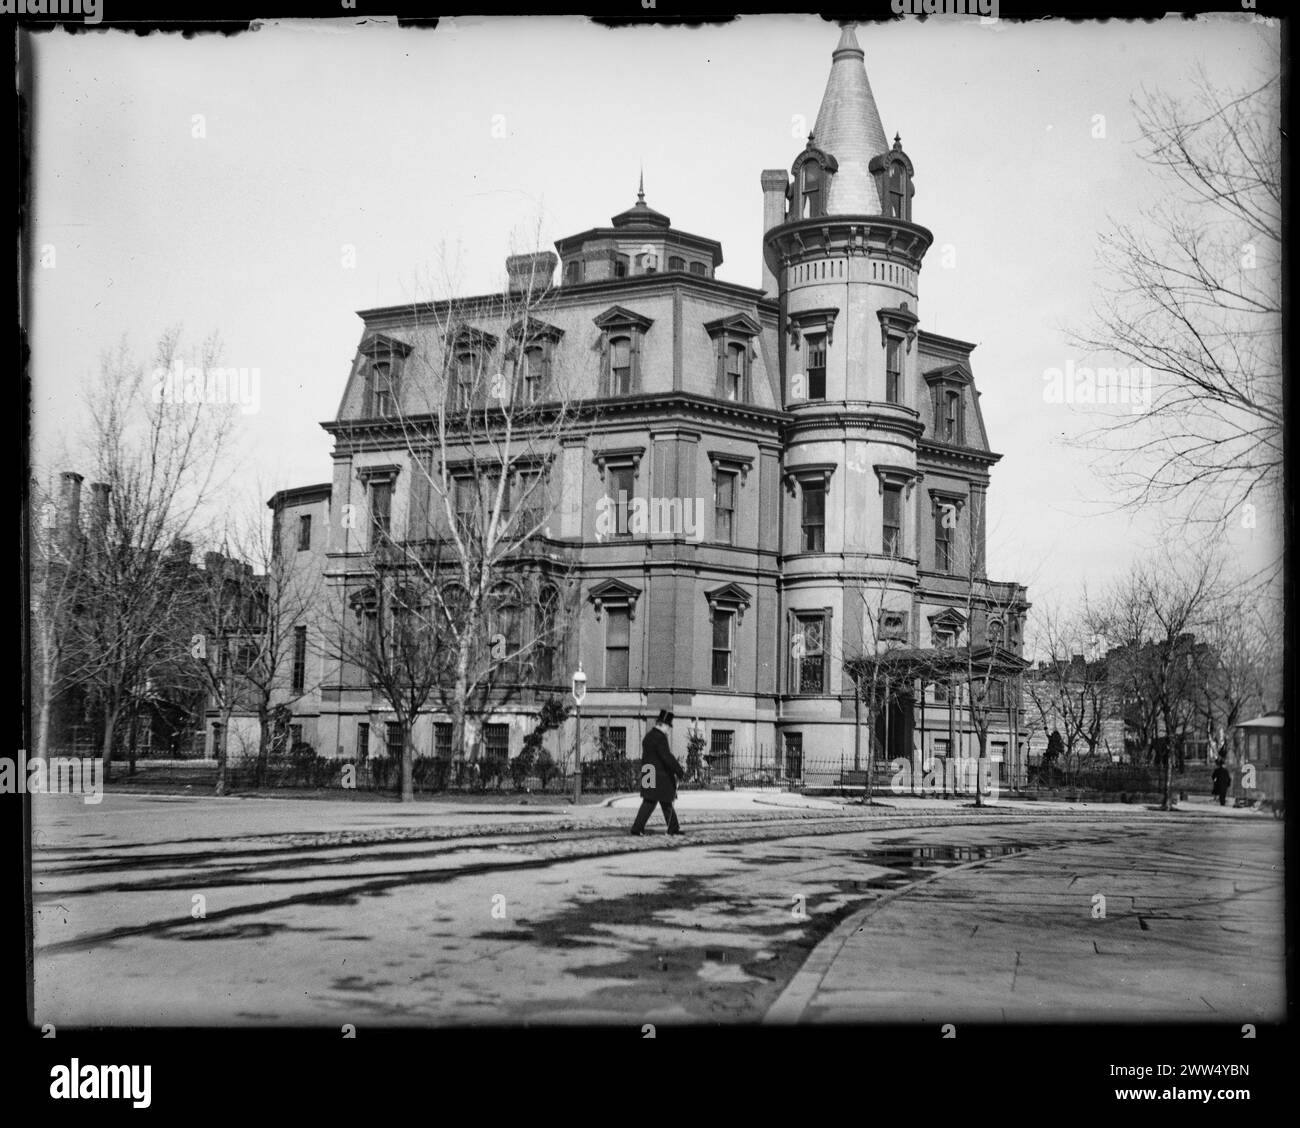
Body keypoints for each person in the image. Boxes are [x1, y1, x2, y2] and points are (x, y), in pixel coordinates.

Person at [631, 709, 684, 836]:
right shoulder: (660, 738)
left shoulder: (648, 736)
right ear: (663, 725)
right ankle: (673, 828)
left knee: (649, 802)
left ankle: (638, 827)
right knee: (666, 801)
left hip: (648, 771)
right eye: (668, 727)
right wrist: (679, 770)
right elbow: (666, 756)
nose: (668, 730)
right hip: (659, 775)